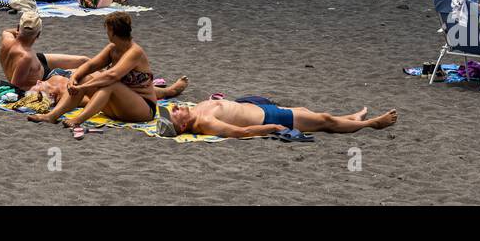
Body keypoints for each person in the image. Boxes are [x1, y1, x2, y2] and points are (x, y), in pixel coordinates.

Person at [28, 13, 157, 126]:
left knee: (110, 85)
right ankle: (52, 116)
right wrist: (74, 78)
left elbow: (112, 76)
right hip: (119, 108)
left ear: (112, 31)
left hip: (143, 109)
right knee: (84, 78)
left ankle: (79, 119)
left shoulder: (135, 52)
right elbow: (90, 66)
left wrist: (83, 89)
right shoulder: (113, 48)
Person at [168, 98, 397, 138]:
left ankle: (351, 117)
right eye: (175, 113)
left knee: (308, 112)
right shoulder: (205, 123)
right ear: (185, 125)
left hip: (263, 108)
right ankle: (371, 123)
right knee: (325, 121)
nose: (176, 108)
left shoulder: (195, 110)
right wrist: (271, 127)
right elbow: (241, 132)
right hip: (269, 116)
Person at [0, 7, 88, 91]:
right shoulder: (26, 58)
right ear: (38, 35)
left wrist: (24, 31)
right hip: (45, 78)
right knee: (85, 74)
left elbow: (6, 31)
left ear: (18, 27)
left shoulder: (7, 38)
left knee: (84, 60)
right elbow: (15, 88)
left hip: (38, 61)